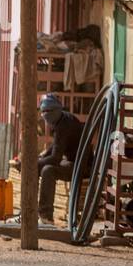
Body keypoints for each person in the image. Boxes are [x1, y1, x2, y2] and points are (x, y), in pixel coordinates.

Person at [36, 93, 84, 225]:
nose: (44, 116)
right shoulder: (65, 119)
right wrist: (41, 158)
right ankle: (32, 212)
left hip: (80, 167)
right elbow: (56, 146)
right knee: (41, 165)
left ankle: (45, 216)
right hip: (75, 162)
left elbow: (55, 159)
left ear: (52, 113)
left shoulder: (63, 126)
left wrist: (35, 164)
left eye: (45, 113)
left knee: (47, 170)